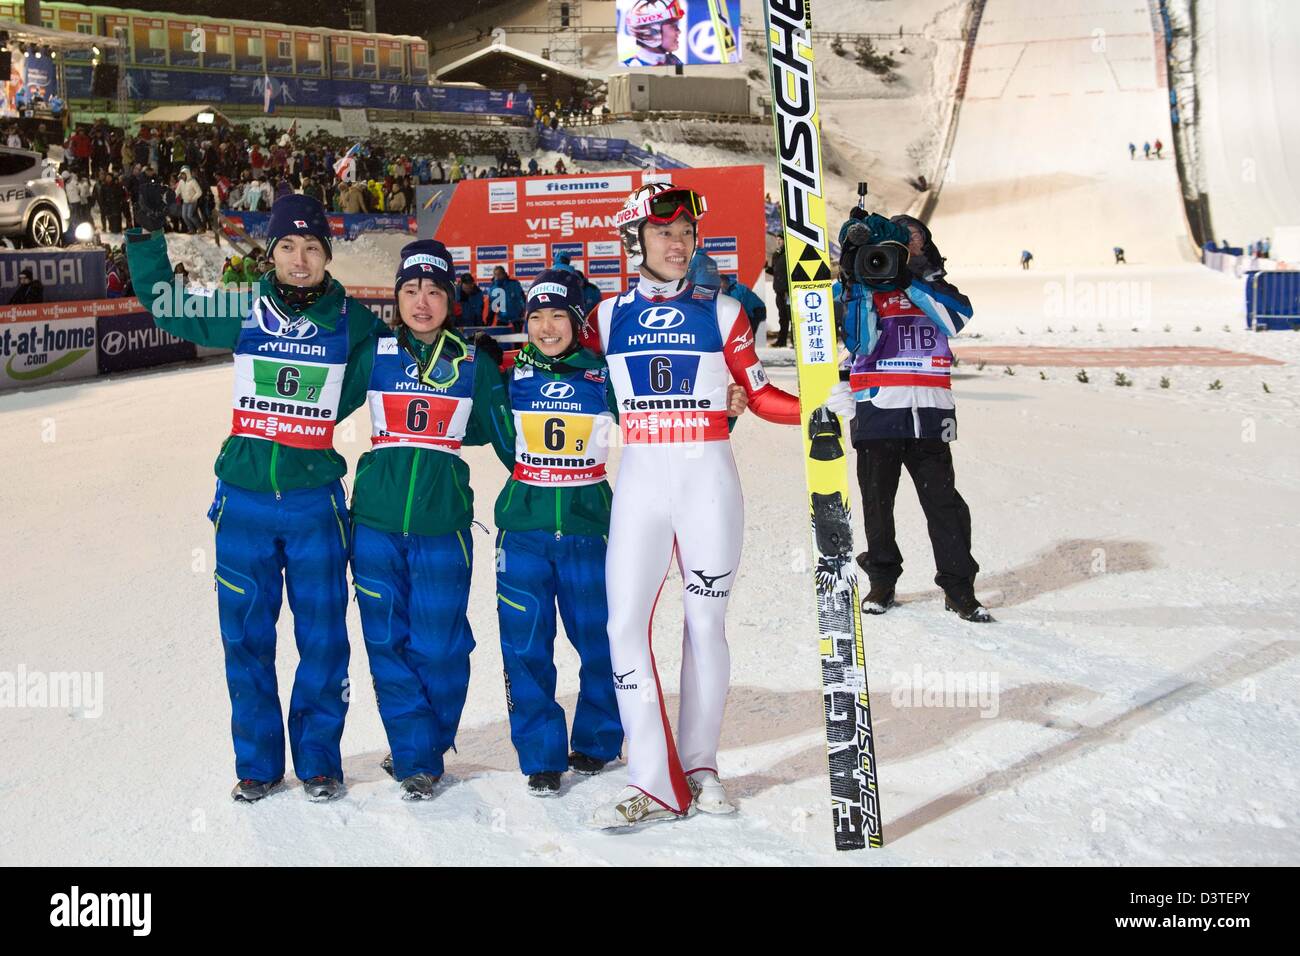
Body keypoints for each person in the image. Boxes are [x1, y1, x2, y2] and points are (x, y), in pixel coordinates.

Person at [588, 182, 844, 828]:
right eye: (664, 233)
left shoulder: (724, 312)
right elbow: (554, 361)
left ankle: (699, 766)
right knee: (623, 627)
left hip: (707, 481)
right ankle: (653, 782)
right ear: (635, 238)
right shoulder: (605, 314)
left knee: (704, 626)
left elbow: (757, 396)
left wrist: (817, 403)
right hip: (641, 479)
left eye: (686, 234)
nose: (679, 244)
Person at [124, 194, 386, 803]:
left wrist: (314, 425)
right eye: (288, 247)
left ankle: (319, 761)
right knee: (245, 636)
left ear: (328, 254)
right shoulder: (246, 307)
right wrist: (142, 240)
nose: (300, 260)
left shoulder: (355, 320)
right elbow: (172, 308)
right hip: (242, 501)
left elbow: (388, 373)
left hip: (314, 503)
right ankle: (259, 764)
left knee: (322, 637)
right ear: (271, 252)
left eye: (313, 248)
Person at [349, 240, 515, 800]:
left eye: (434, 291)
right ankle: (418, 755)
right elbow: (317, 402)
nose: (422, 302)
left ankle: (425, 743)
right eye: (411, 290)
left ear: (450, 300)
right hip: (373, 521)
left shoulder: (476, 366)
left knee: (441, 646)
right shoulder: (373, 355)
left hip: (444, 525)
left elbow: (515, 445)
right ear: (397, 297)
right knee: (387, 643)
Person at [489, 269, 623, 796]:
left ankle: (597, 739)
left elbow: (654, 422)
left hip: (589, 530)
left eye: (557, 315)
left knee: (601, 642)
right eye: (536, 316)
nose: (546, 327)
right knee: (525, 647)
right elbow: (499, 438)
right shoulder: (508, 374)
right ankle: (541, 754)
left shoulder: (602, 376)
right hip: (523, 531)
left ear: (576, 319)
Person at [839, 210, 989, 623]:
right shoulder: (863, 288)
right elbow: (859, 340)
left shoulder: (940, 288)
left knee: (944, 504)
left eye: (916, 235)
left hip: (930, 413)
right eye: (900, 237)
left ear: (923, 243)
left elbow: (955, 319)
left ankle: (960, 588)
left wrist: (910, 281)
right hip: (878, 410)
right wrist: (856, 277)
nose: (910, 241)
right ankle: (882, 581)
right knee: (877, 503)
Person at [623, 0, 685, 67]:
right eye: (673, 26)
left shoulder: (675, 62)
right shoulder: (630, 67)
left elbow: (681, 76)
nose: (679, 32)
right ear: (652, 31)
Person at [766, 237, 792, 345]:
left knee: (790, 315)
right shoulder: (776, 254)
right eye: (777, 240)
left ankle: (795, 341)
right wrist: (768, 268)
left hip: (788, 290)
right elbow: (776, 272)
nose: (778, 241)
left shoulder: (790, 253)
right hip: (779, 290)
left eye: (780, 239)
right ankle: (782, 341)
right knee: (782, 317)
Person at [487, 265, 526, 329]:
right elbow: (492, 307)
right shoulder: (492, 288)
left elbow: (522, 299)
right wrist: (488, 323)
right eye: (496, 274)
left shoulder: (514, 284)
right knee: (500, 337)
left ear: (504, 274)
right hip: (502, 319)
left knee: (518, 338)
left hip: (516, 319)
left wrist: (522, 312)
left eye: (500, 274)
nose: (498, 276)